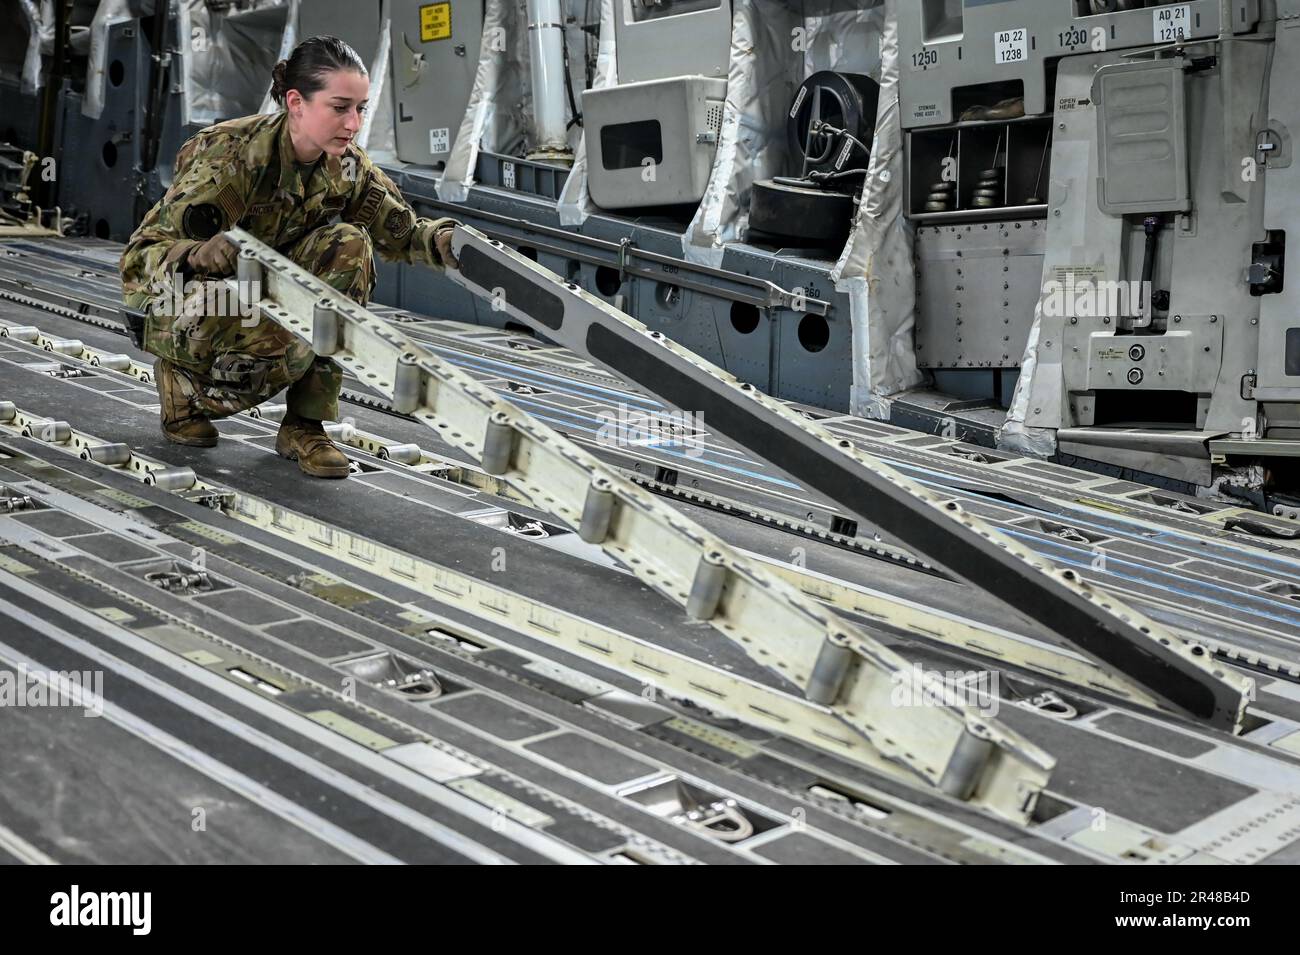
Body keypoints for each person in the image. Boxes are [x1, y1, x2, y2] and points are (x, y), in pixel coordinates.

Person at [119, 35, 460, 478]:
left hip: (267, 296)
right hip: (183, 304)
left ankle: (304, 425)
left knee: (350, 245)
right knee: (286, 342)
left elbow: (403, 234)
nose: (354, 123)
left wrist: (447, 243)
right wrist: (198, 253)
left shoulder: (347, 166)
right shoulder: (230, 158)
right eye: (340, 108)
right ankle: (185, 390)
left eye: (361, 108)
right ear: (296, 102)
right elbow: (139, 259)